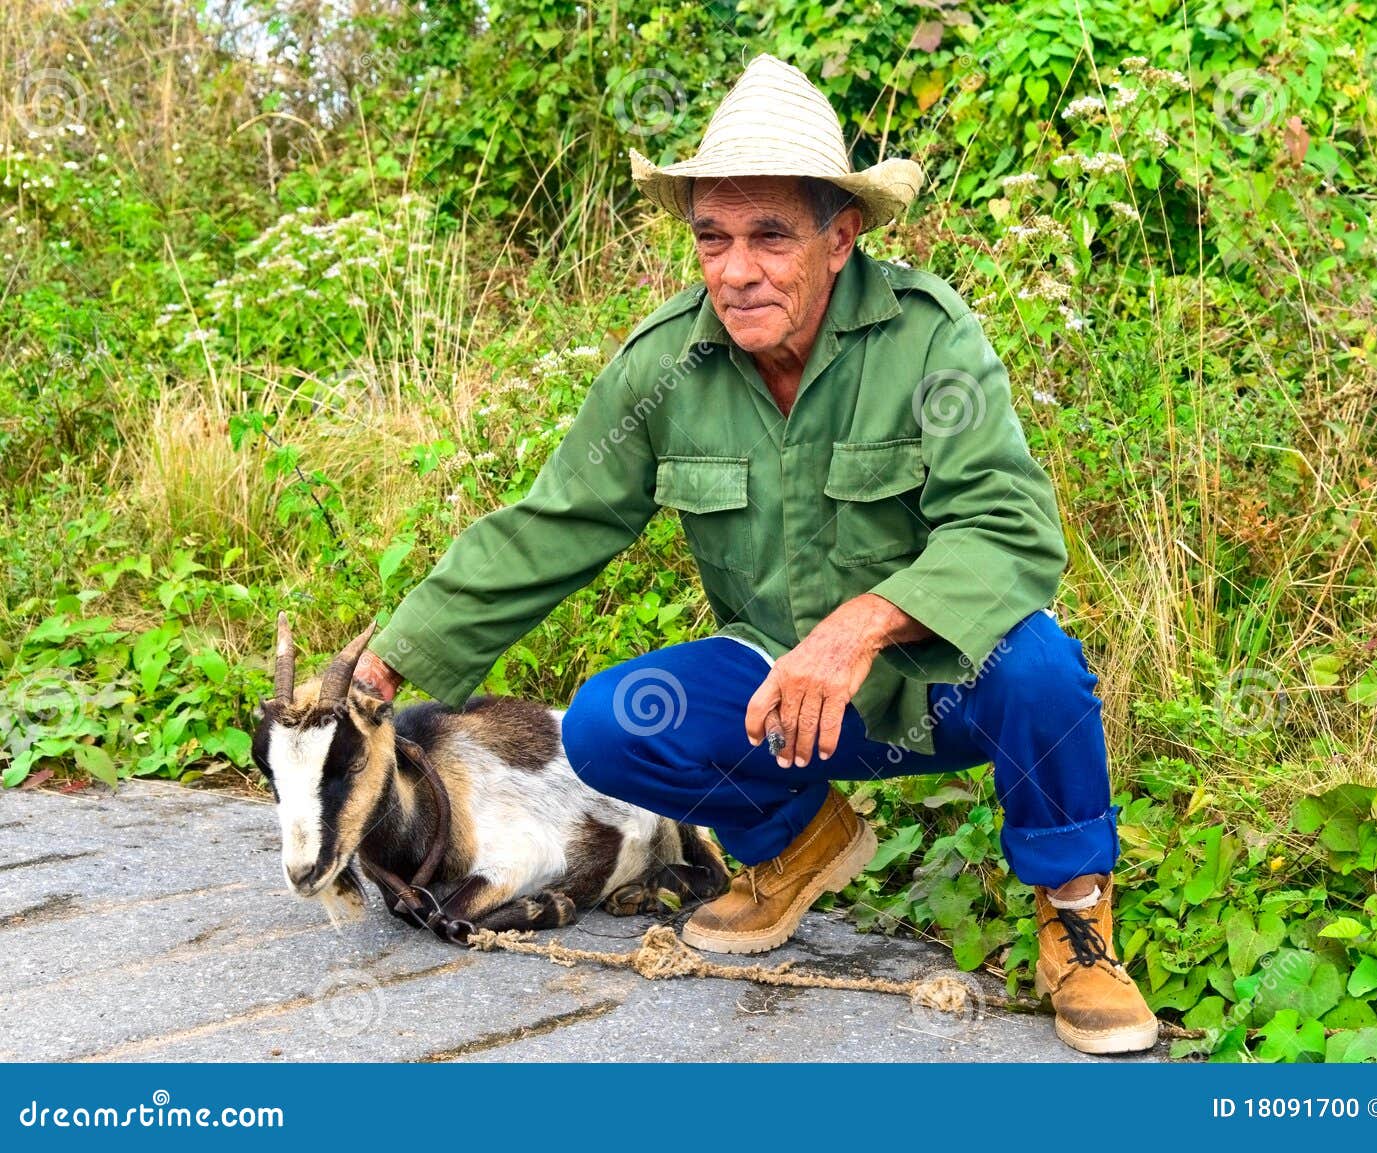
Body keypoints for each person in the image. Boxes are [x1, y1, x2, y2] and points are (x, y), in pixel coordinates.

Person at [356, 54, 1157, 1054]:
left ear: (841, 235)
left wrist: (863, 625)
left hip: (936, 678)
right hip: (777, 694)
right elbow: (557, 520)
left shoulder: (926, 339)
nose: (736, 269)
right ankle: (797, 844)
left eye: (770, 235)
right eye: (713, 237)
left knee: (1040, 663)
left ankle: (1076, 918)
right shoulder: (666, 363)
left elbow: (1007, 529)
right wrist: (395, 654)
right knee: (610, 727)